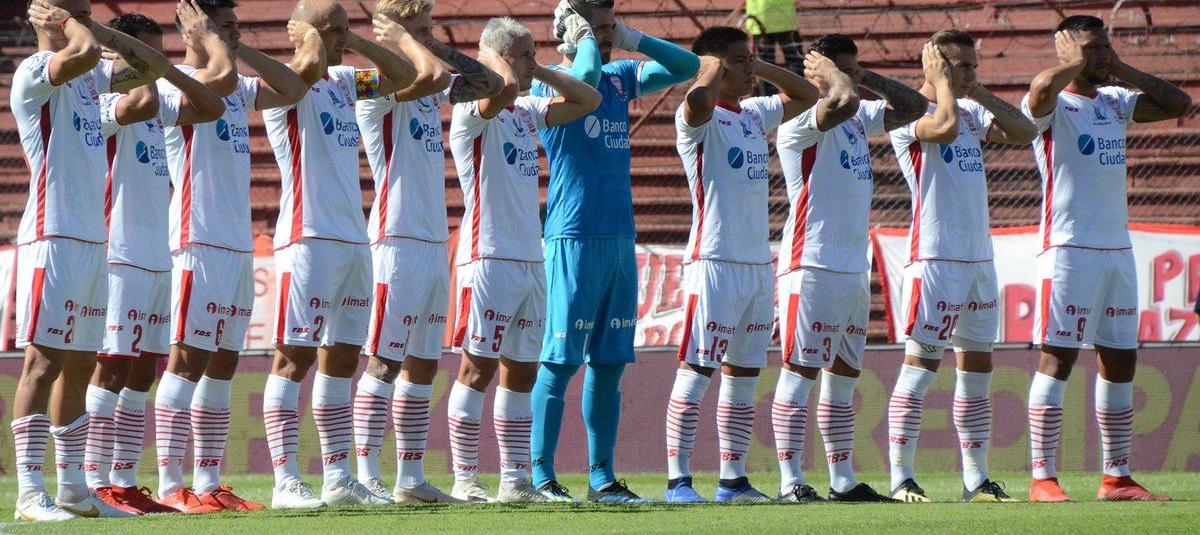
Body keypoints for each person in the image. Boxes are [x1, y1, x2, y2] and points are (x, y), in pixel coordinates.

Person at [9, 0, 176, 521]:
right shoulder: (37, 72)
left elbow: (152, 69)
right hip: (50, 235)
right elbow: (80, 50)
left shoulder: (88, 81)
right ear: (45, 17)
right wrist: (78, 26)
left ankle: (74, 488)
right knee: (42, 363)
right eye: (73, 10)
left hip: (92, 241)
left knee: (80, 364)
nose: (80, 19)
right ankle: (30, 492)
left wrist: (99, 28)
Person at [531, 0, 699, 503]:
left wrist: (630, 36)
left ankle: (602, 477)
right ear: (569, 33)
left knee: (608, 364)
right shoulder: (551, 83)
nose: (602, 39)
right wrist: (585, 39)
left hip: (619, 238)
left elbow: (687, 68)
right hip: (572, 236)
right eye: (593, 30)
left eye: (607, 29)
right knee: (560, 361)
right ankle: (541, 476)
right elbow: (583, 80)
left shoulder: (621, 76)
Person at [1022, 14, 1189, 503]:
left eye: (1105, 46)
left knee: (1119, 360)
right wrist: (1070, 65)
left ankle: (1116, 478)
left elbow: (1181, 103)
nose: (1102, 56)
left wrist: (1123, 68)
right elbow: (1035, 94)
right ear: (1067, 51)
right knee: (1059, 357)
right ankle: (1042, 478)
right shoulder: (1052, 103)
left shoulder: (1115, 101)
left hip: (1117, 249)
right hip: (1068, 248)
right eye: (1092, 48)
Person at [260, 0, 419, 509]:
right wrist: (312, 39)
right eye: (330, 30)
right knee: (294, 356)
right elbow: (304, 67)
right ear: (297, 32)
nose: (336, 39)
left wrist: (355, 42)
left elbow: (402, 74)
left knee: (342, 358)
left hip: (353, 239)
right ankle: (285, 480)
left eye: (342, 29)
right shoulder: (284, 84)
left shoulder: (346, 82)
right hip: (306, 239)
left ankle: (337, 477)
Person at [153, 0, 308, 513]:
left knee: (223, 362)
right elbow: (216, 80)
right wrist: (214, 41)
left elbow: (292, 88)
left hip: (235, 244)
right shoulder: (177, 83)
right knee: (186, 360)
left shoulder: (238, 85)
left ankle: (209, 480)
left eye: (236, 23)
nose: (234, 32)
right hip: (196, 239)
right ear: (195, 30)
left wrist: (238, 46)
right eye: (224, 24)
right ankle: (171, 484)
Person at [353, 0, 502, 504]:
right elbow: (434, 73)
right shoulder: (379, 89)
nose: (427, 37)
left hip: (433, 240)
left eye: (429, 28)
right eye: (419, 29)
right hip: (394, 240)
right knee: (382, 361)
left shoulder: (428, 84)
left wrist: (421, 39)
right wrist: (401, 41)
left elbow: (489, 84)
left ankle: (410, 478)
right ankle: (367, 472)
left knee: (422, 362)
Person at [447, 17, 600, 503]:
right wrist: (502, 60)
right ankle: (466, 478)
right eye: (528, 53)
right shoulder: (473, 107)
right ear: (501, 56)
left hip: (530, 259)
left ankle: (514, 481)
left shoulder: (523, 109)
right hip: (487, 255)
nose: (536, 62)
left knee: (522, 369)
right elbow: (504, 84)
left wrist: (541, 70)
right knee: (477, 368)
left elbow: (588, 100)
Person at [662, 25, 817, 504]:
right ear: (712, 66)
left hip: (755, 264)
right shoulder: (697, 117)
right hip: (713, 260)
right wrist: (708, 68)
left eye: (748, 59)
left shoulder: (752, 113)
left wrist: (752, 64)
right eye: (738, 60)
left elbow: (808, 94)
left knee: (745, 373)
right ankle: (678, 481)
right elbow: (698, 99)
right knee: (697, 368)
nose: (750, 69)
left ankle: (733, 479)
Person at [771, 33, 926, 503]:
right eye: (844, 69)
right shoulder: (801, 121)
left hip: (851, 267)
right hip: (810, 264)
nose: (852, 78)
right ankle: (791, 481)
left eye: (855, 69)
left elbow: (917, 106)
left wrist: (864, 75)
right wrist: (837, 79)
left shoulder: (857, 115)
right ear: (815, 72)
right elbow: (840, 99)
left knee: (843, 375)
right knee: (800, 372)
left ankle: (842, 480)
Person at [84, 7, 225, 515]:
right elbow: (142, 96)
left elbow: (211, 106)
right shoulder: (97, 101)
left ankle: (124, 480)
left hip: (155, 253)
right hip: (116, 252)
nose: (155, 61)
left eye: (158, 50)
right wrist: (146, 68)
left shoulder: (157, 98)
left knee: (144, 370)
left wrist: (165, 67)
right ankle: (94, 478)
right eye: (144, 51)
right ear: (116, 56)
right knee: (111, 366)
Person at [885, 29, 1037, 503]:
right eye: (965, 65)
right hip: (934, 258)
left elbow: (1026, 132)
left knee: (976, 374)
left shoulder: (970, 110)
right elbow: (944, 126)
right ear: (938, 65)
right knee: (920, 368)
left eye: (976, 64)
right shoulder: (908, 114)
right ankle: (901, 479)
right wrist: (945, 86)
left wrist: (979, 92)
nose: (974, 72)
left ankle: (976, 480)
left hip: (977, 259)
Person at [742, 0, 801, 96]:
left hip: (761, 16)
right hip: (784, 16)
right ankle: (800, 93)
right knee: (793, 59)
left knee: (766, 63)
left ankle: (768, 98)